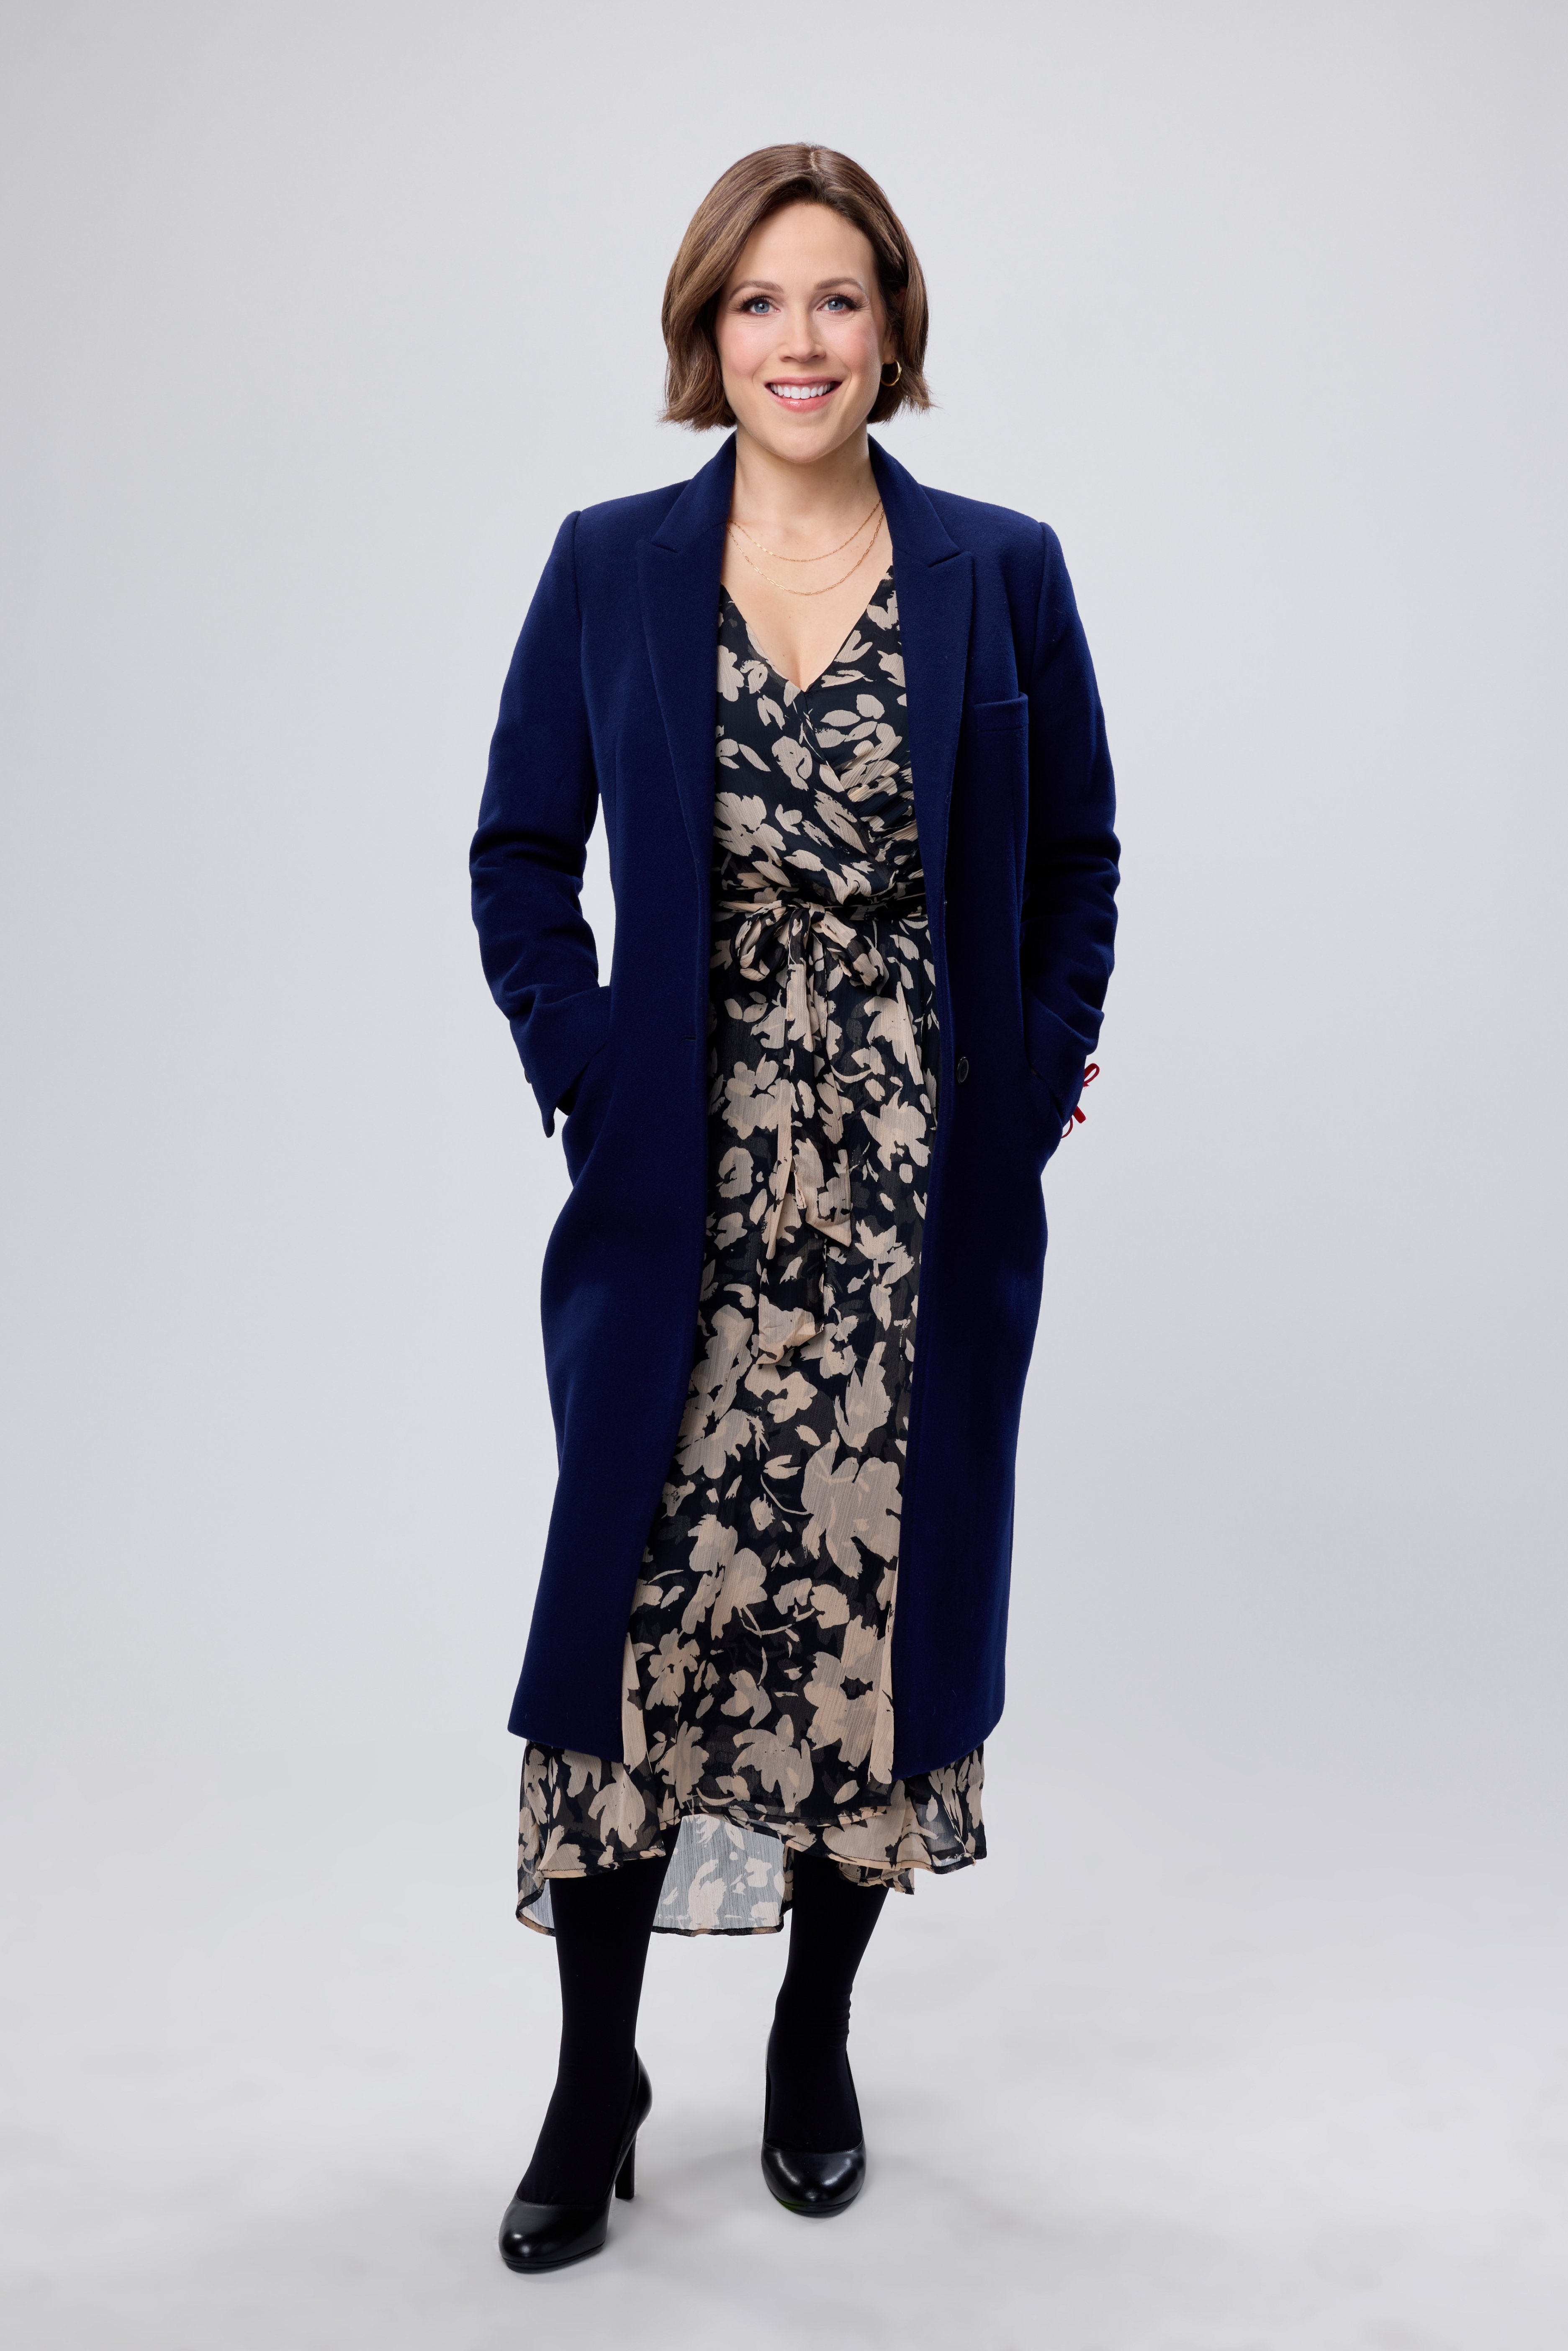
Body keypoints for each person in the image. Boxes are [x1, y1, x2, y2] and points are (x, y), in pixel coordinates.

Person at [470, 143, 1118, 2271]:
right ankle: (594, 2077)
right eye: (759, 302)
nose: (801, 341)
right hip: (678, 1183)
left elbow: (1076, 862)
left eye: (838, 298)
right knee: (630, 1617)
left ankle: (812, 2038)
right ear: (707, 332)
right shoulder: (610, 567)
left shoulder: (1000, 571)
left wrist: (1020, 1097)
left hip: (918, 1199)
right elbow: (517, 854)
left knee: (872, 1609)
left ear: (891, 327)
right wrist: (587, 1065)